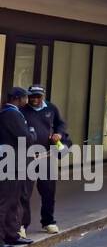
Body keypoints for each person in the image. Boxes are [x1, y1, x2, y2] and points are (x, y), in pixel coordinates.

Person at [21, 85, 66, 235]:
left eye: (38, 96)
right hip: (27, 157)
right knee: (24, 192)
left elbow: (60, 124)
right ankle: (21, 224)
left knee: (48, 191)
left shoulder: (51, 108)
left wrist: (59, 134)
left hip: (47, 156)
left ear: (43, 96)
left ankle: (48, 221)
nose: (34, 99)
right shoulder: (22, 110)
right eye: (32, 96)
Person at [1, 87, 36, 247]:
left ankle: (12, 235)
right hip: (9, 164)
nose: (27, 101)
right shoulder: (11, 114)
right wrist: (32, 131)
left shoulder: (12, 113)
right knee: (5, 202)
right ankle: (2, 239)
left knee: (14, 202)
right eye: (25, 98)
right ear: (17, 98)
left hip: (14, 164)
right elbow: (26, 138)